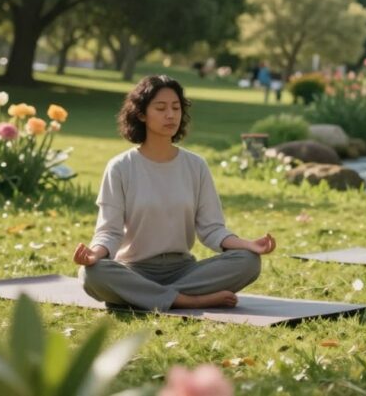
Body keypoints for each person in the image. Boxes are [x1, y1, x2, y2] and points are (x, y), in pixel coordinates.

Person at [73, 75, 276, 310]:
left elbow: (212, 229)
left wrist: (248, 245)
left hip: (184, 271)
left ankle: (149, 297)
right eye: (160, 108)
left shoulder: (195, 165)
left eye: (176, 107)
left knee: (249, 262)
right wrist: (94, 255)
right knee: (92, 274)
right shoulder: (120, 167)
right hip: (134, 270)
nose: (171, 115)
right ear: (141, 114)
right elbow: (109, 232)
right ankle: (187, 300)